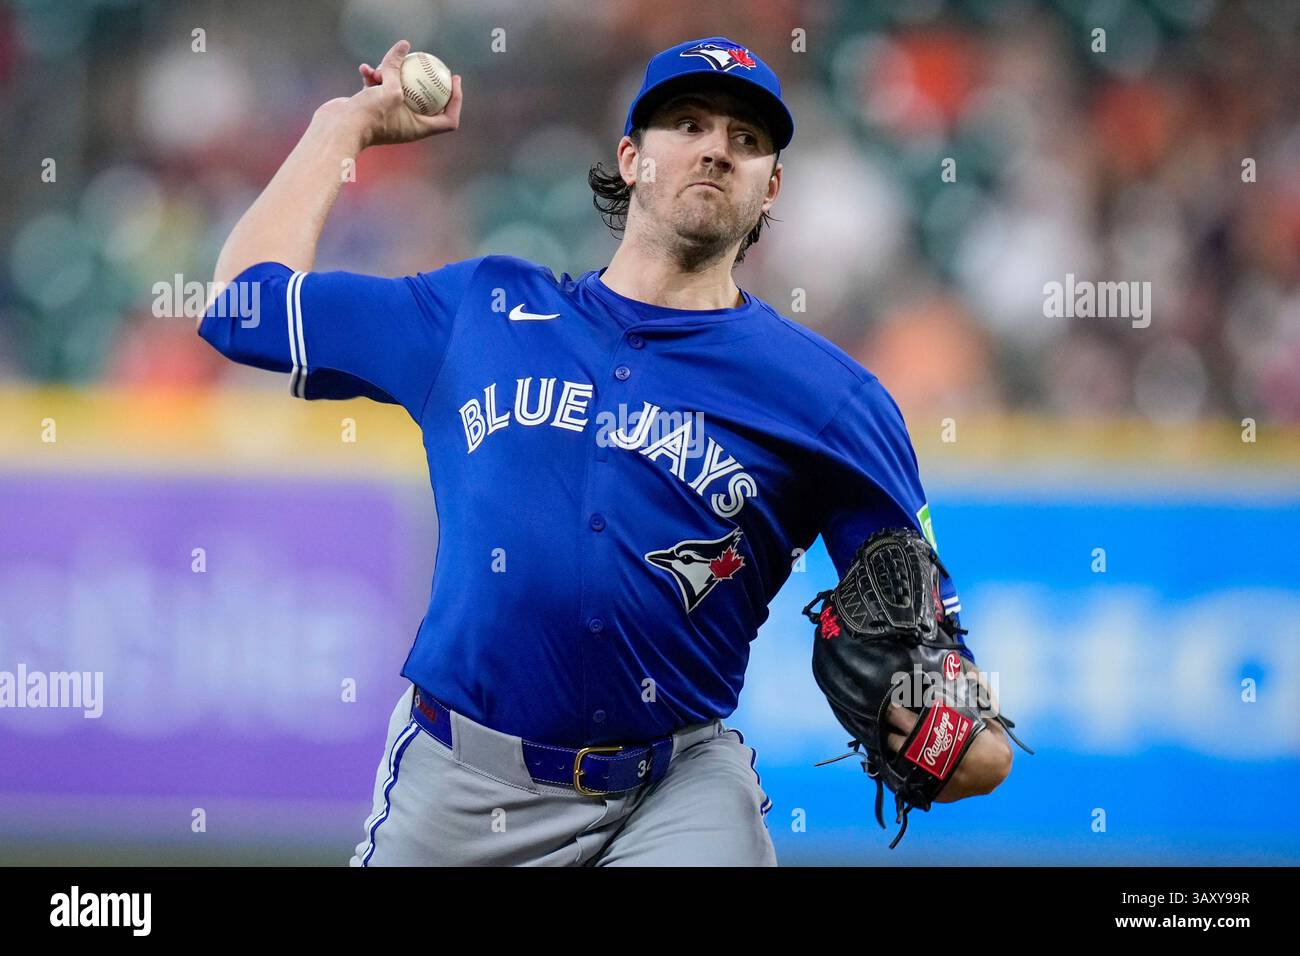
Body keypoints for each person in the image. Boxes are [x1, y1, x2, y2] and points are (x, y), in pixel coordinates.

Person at [198, 34, 1013, 867]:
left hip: (676, 792)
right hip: (462, 787)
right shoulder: (478, 311)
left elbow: (930, 639)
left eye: (746, 139)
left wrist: (957, 735)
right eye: (687, 123)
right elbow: (239, 309)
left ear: (773, 185)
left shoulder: (830, 399)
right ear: (630, 158)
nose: (714, 150)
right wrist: (340, 129)